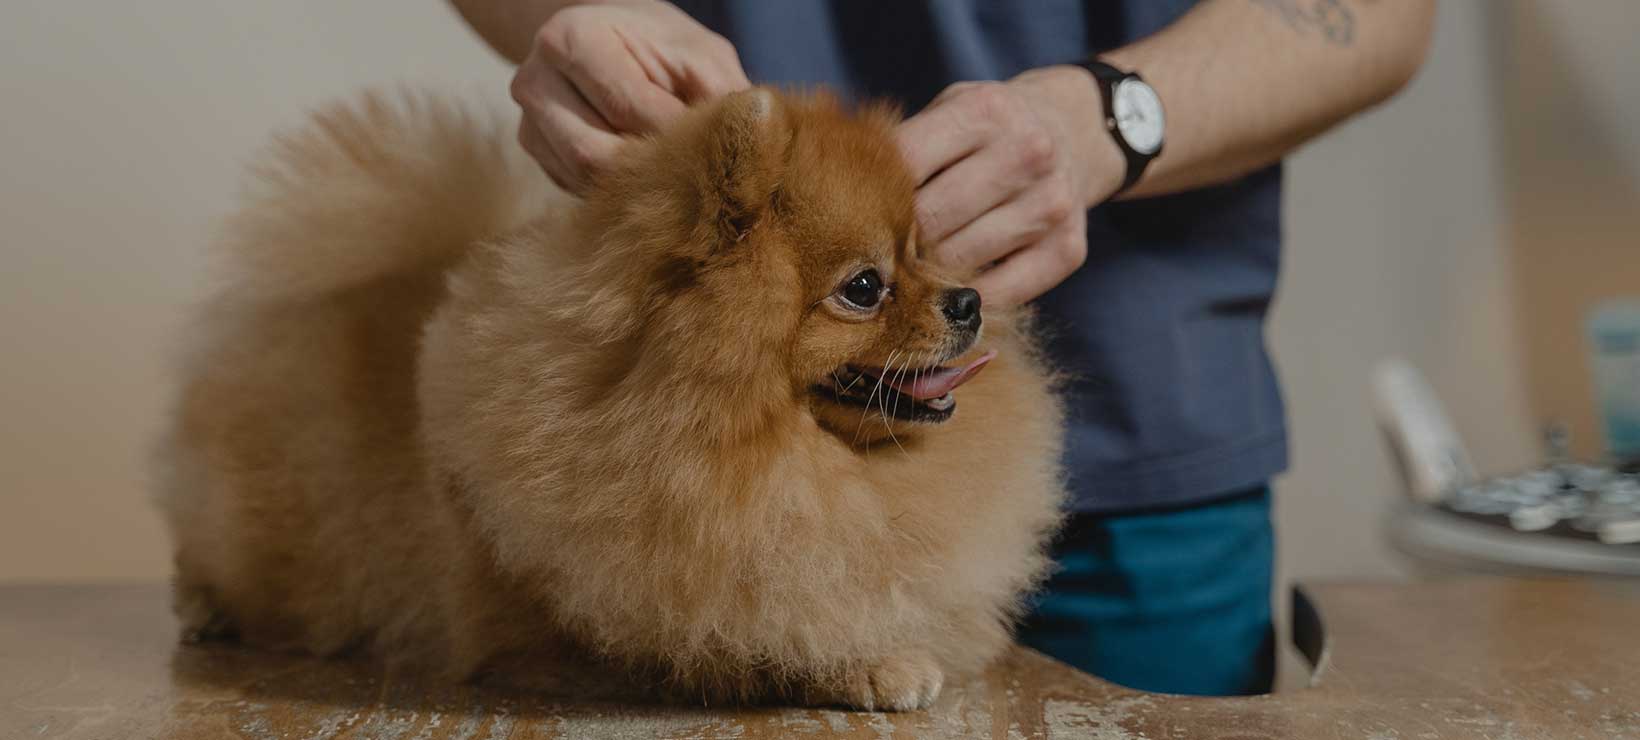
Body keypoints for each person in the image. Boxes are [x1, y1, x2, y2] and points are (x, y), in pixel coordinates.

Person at [451, 0, 1434, 696]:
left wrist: (1108, 120)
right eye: (871, 290)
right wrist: (584, 18)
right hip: (672, 522)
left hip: (1146, 472)